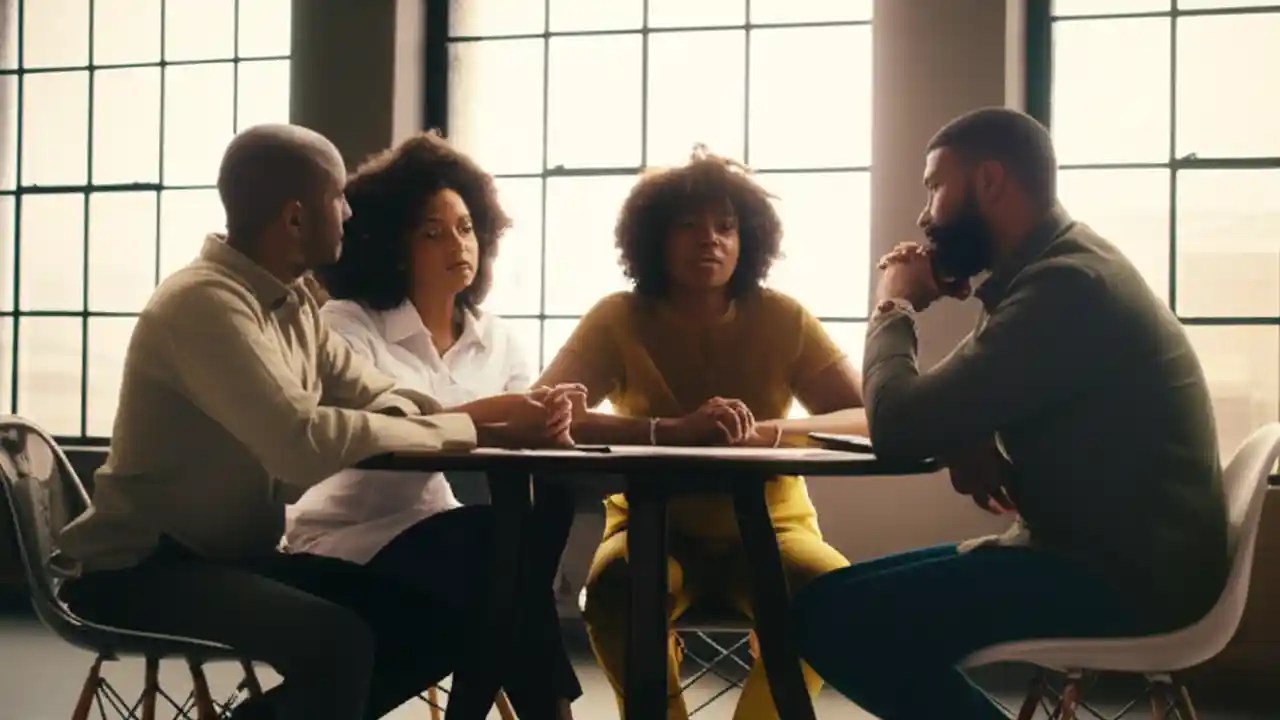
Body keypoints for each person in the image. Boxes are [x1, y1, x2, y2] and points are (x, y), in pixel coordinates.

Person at [56, 124, 573, 720]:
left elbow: (373, 392)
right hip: (143, 567)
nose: (350, 214)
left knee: (451, 607)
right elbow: (299, 442)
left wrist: (457, 423)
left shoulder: (293, 302)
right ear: (297, 218)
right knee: (340, 641)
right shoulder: (207, 304)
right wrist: (469, 429)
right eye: (338, 198)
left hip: (231, 556)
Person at [790, 108, 1229, 720]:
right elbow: (976, 397)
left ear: (990, 182)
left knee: (828, 619)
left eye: (934, 186)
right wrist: (965, 434)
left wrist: (892, 303)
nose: (923, 215)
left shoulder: (1065, 287)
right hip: (1109, 557)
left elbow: (897, 427)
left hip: (1118, 580)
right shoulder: (1057, 269)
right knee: (823, 604)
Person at [536, 147, 868, 720]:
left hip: (774, 527)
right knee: (618, 591)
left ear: (749, 240)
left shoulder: (783, 317)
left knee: (835, 596)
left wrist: (767, 432)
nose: (708, 239)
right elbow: (546, 410)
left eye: (726, 226)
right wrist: (669, 431)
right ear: (653, 240)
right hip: (650, 525)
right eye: (686, 226)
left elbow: (865, 414)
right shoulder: (618, 316)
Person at [289, 131, 582, 718]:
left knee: (504, 574)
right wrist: (502, 416)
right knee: (507, 565)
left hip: (437, 534)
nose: (458, 243)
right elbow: (379, 422)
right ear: (395, 246)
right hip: (345, 538)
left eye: (467, 227)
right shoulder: (347, 324)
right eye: (433, 231)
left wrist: (551, 419)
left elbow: (521, 426)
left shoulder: (495, 336)